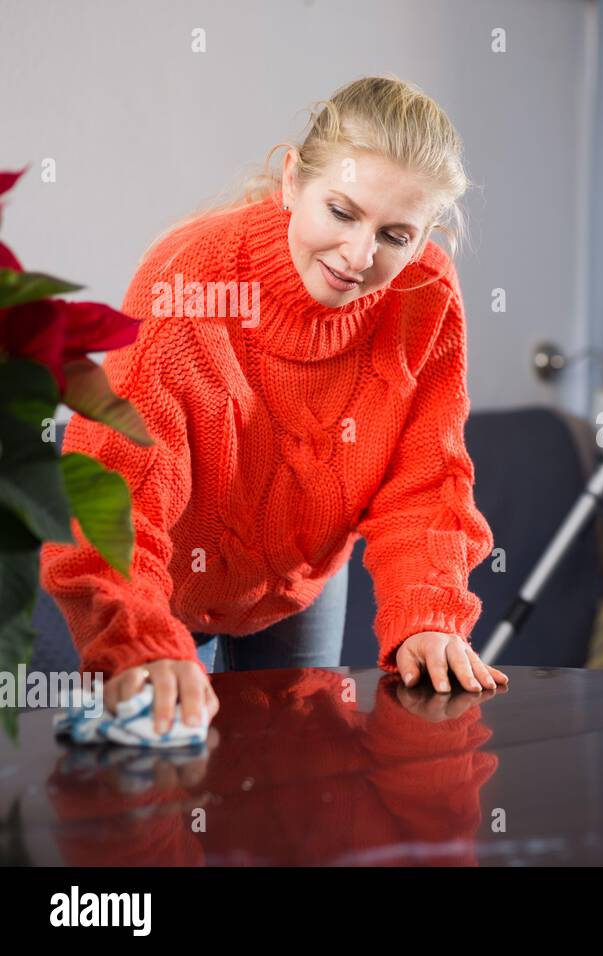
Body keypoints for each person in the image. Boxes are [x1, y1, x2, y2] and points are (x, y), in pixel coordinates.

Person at [40, 75, 507, 736]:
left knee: (294, 794)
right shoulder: (191, 280)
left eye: (397, 235)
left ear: (428, 232)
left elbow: (426, 480)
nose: (358, 255)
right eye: (341, 212)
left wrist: (428, 612)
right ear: (292, 180)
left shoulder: (424, 292)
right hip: (161, 579)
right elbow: (113, 487)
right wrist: (140, 643)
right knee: (164, 791)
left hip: (298, 580)